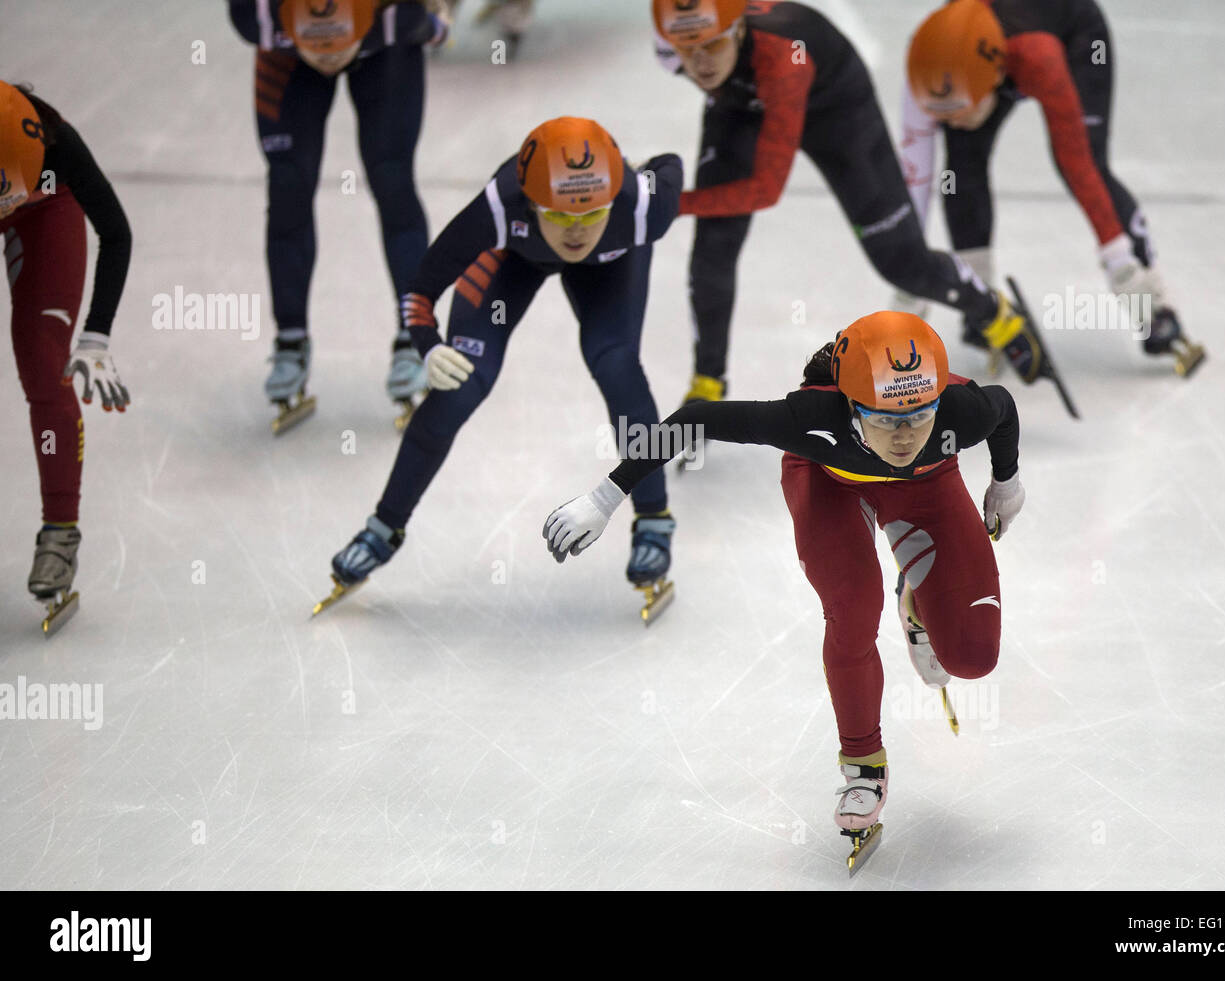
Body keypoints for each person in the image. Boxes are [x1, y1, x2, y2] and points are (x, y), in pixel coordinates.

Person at [544, 310, 1024, 866]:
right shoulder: (808, 417)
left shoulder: (960, 412)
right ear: (850, 405)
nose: (905, 436)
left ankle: (918, 598)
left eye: (919, 416)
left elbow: (1004, 407)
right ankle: (862, 765)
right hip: (826, 479)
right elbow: (695, 418)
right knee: (852, 609)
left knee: (971, 658)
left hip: (926, 485)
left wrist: (1006, 480)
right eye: (886, 419)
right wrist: (603, 499)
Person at [317, 117, 684, 621]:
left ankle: (653, 519)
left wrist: (629, 181)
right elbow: (422, 288)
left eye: (589, 214)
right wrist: (426, 344)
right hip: (515, 259)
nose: (575, 232)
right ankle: (384, 526)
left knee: (616, 363)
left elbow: (669, 165)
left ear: (613, 197)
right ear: (531, 204)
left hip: (610, 265)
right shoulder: (499, 204)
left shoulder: (644, 206)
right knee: (461, 385)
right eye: (559, 216)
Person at [650, 0, 1046, 411]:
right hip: (741, 103)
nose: (700, 63)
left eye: (712, 45)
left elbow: (765, 189)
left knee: (901, 261)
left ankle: (995, 312)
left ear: (737, 29)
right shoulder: (671, 44)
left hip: (834, 109)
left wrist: (673, 203)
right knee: (714, 243)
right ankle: (707, 383)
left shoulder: (786, 57)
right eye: (686, 48)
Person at [901, 0, 1204, 375]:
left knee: (1083, 162)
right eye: (938, 114)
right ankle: (978, 293)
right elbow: (916, 178)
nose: (950, 121)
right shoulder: (926, 66)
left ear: (993, 81)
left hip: (1072, 36)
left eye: (958, 110)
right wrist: (910, 276)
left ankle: (1154, 302)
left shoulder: (1038, 59)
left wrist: (1122, 268)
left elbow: (1080, 164)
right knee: (961, 164)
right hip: (981, 53)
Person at [227, 0, 451, 433]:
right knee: (288, 186)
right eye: (319, 45)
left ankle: (413, 334)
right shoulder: (256, 15)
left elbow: (429, 22)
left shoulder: (400, 16)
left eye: (336, 44)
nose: (328, 57)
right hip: (290, 56)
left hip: (383, 51)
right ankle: (290, 338)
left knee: (393, 181)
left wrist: (436, 23)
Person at [0, 80, 132, 634]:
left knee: (42, 360)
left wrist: (96, 338)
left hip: (45, 208)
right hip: (31, 190)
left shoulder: (55, 147)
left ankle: (60, 529)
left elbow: (116, 233)